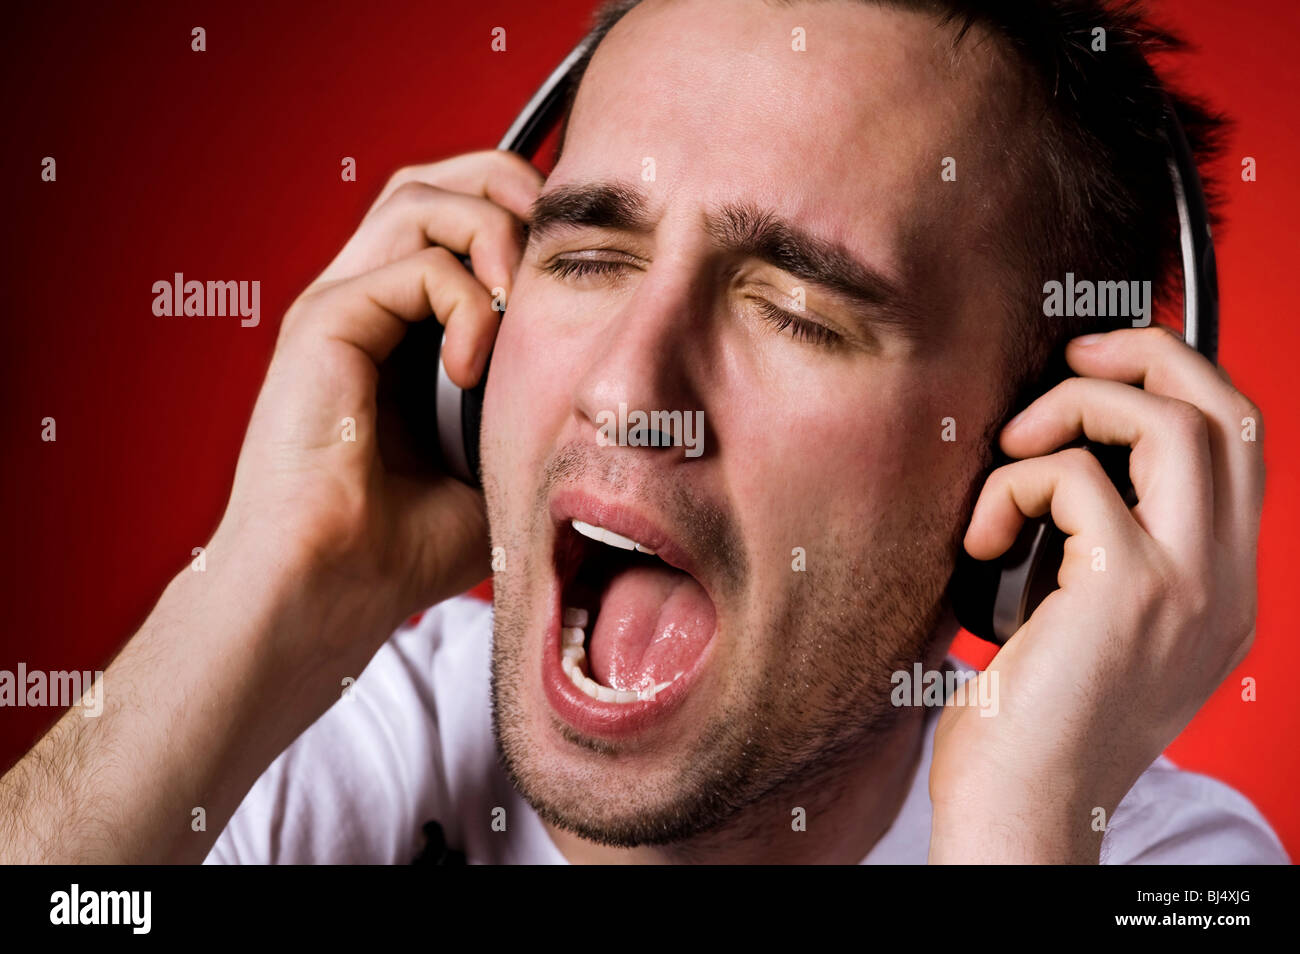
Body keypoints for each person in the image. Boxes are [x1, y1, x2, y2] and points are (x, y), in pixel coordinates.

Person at [1, 0, 1287, 864]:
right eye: (589, 256)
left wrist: (1027, 821)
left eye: (796, 310)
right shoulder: (343, 744)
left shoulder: (1152, 857)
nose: (626, 388)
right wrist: (260, 589)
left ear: (1034, 474)